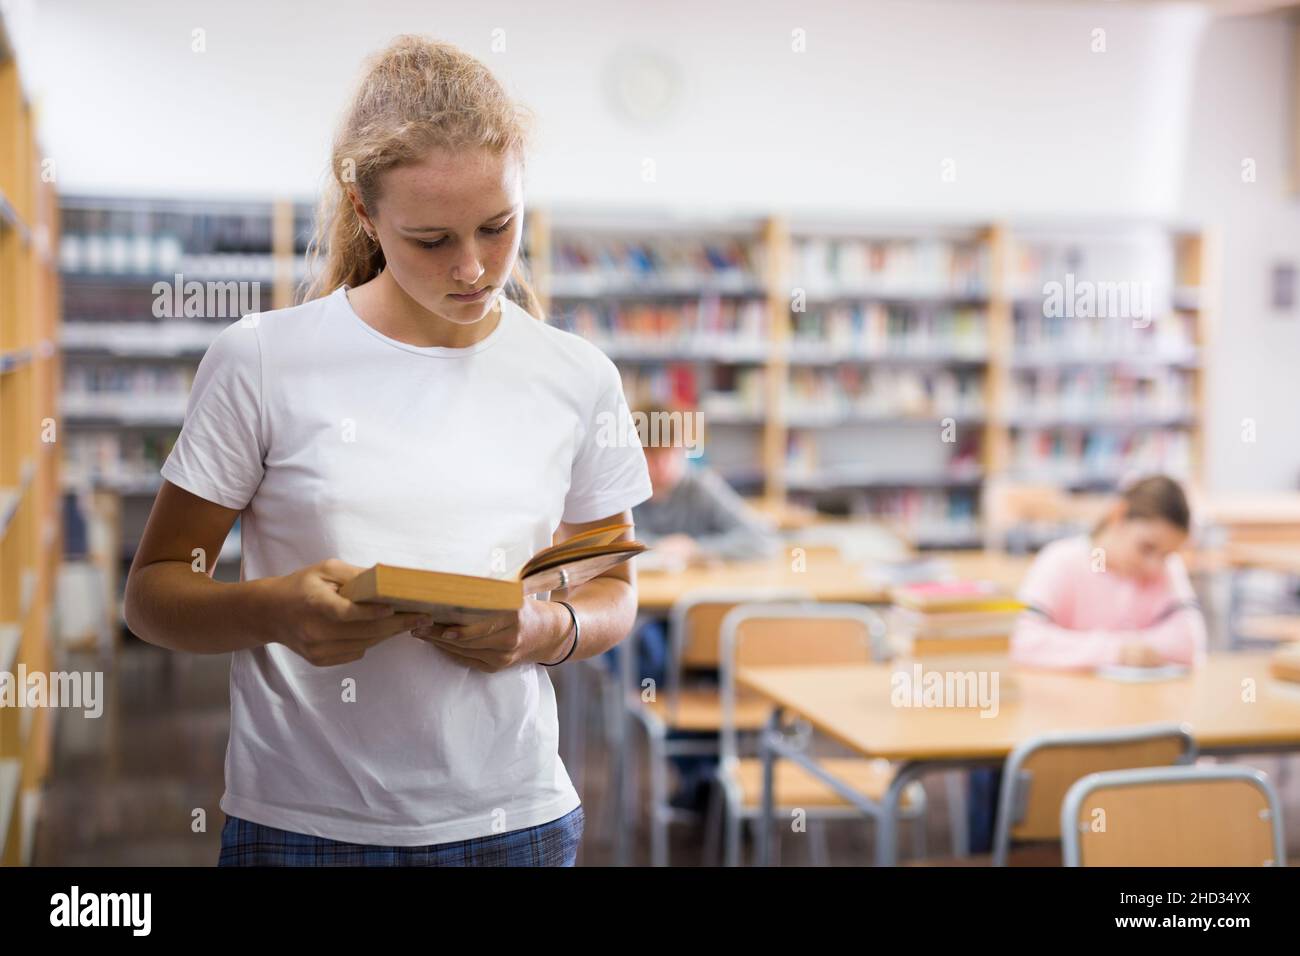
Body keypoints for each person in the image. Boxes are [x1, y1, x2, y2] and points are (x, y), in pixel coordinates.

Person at [123, 35, 653, 867]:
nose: (475, 268)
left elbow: (615, 584)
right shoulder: (262, 360)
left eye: (498, 226)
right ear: (366, 215)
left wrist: (543, 630)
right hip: (302, 827)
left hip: (518, 822)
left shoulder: (578, 375)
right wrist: (274, 611)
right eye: (431, 239)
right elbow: (153, 596)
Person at [967, 474, 1208, 854]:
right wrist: (1119, 649)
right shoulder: (1063, 561)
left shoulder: (1164, 571)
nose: (1154, 565)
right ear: (1118, 516)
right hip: (1055, 724)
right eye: (1147, 548)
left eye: (1166, 555)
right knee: (990, 763)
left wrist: (1090, 649)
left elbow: (1189, 643)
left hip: (1132, 727)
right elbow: (1024, 641)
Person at [614, 405, 782, 809]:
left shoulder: (700, 488)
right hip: (639, 621)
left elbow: (763, 541)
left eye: (669, 454)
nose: (661, 466)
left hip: (696, 623)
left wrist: (696, 548)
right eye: (651, 456)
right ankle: (704, 778)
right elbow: (605, 550)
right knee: (654, 658)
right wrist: (654, 547)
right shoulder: (620, 493)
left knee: (708, 669)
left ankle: (708, 780)